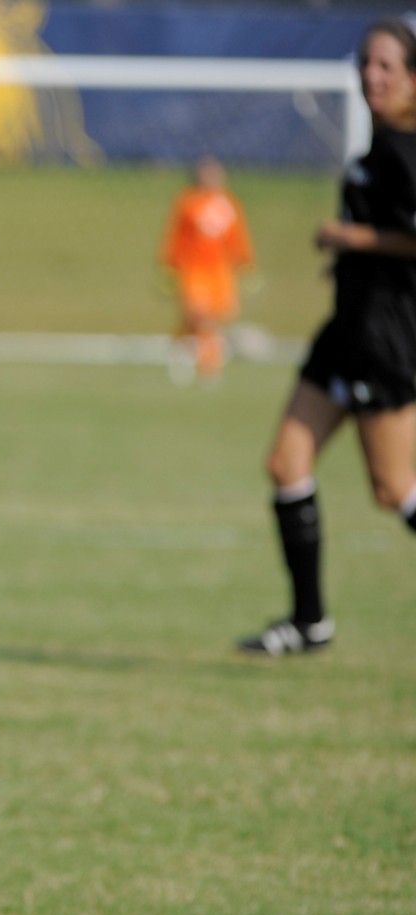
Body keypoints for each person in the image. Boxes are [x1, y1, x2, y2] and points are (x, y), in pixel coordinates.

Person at [240, 16, 416, 656]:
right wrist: (349, 262)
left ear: (414, 79)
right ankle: (309, 622)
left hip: (384, 340)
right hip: (344, 331)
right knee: (286, 464)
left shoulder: (406, 151)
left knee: (394, 489)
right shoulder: (378, 147)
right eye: (366, 62)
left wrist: (350, 237)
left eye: (387, 65)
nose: (372, 75)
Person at [159, 154, 255, 386]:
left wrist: (245, 263)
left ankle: (206, 361)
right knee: (199, 316)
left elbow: (237, 238)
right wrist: (170, 266)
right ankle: (198, 360)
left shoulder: (228, 204)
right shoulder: (188, 202)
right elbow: (177, 236)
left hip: (220, 271)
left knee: (215, 319)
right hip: (195, 269)